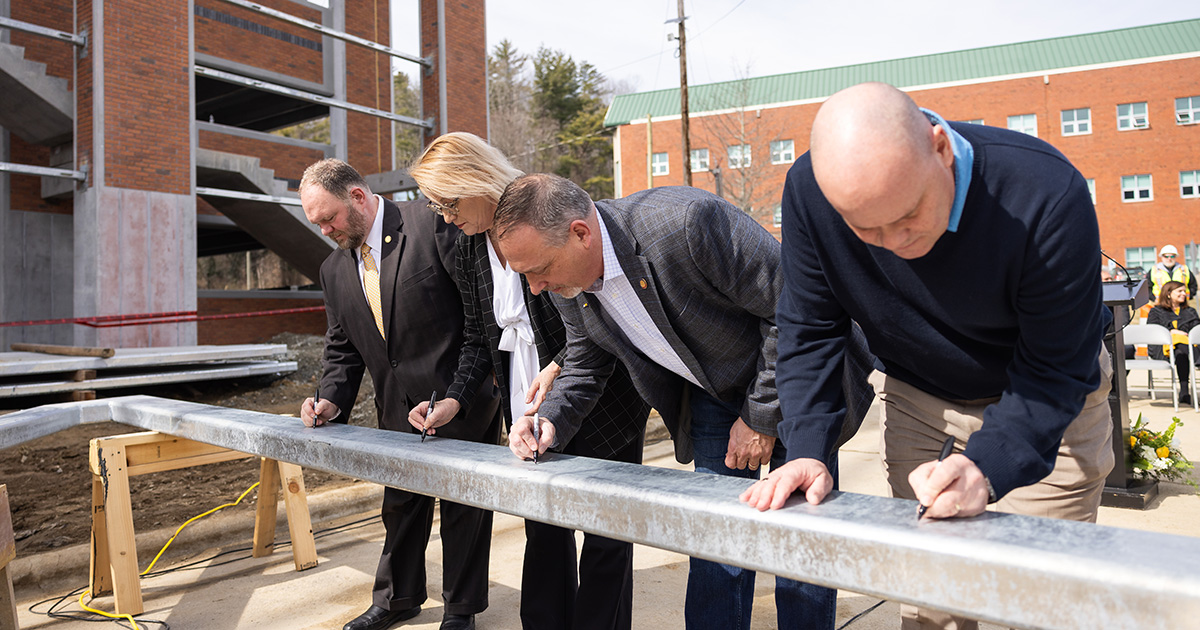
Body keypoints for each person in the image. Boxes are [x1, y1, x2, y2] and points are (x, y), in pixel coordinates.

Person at [740, 83, 1115, 630]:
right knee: (931, 603)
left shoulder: (1044, 191)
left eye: (910, 212)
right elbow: (811, 326)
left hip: (1048, 402)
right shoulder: (811, 192)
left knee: (1036, 600)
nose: (895, 241)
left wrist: (989, 466)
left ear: (940, 148)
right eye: (867, 229)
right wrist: (808, 448)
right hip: (921, 400)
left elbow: (1054, 366)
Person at [491, 173, 875, 630]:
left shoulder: (687, 223)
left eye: (538, 270)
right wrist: (550, 420)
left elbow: (797, 309)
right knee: (714, 537)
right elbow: (586, 361)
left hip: (795, 379)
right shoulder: (567, 283)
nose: (534, 287)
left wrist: (760, 415)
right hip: (713, 391)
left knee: (800, 538)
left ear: (580, 233)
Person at [405, 132, 652, 630]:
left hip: (598, 389)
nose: (446, 216)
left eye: (450, 202)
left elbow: (600, 310)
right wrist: (454, 399)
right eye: (436, 206)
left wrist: (560, 363)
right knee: (541, 524)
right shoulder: (469, 249)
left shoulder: (546, 212)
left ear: (476, 181)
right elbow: (480, 335)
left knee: (605, 532)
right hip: (526, 392)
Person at [297, 158, 500, 630]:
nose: (325, 229)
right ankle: (397, 599)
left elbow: (479, 320)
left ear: (359, 197)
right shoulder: (332, 269)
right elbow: (343, 347)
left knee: (464, 510)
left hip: (460, 400)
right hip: (395, 410)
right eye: (317, 223)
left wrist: (459, 395)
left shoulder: (433, 226)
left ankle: (460, 610)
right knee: (401, 508)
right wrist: (330, 398)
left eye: (330, 217)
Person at [1146, 280, 1199, 404]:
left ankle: (1184, 392)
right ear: (1168, 294)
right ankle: (1197, 362)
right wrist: (1172, 332)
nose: (1183, 294)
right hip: (1162, 349)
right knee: (1180, 345)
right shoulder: (1156, 311)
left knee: (1181, 349)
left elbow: (1197, 329)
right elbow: (1153, 330)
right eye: (1179, 291)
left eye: (1184, 291)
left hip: (1188, 348)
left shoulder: (1190, 311)